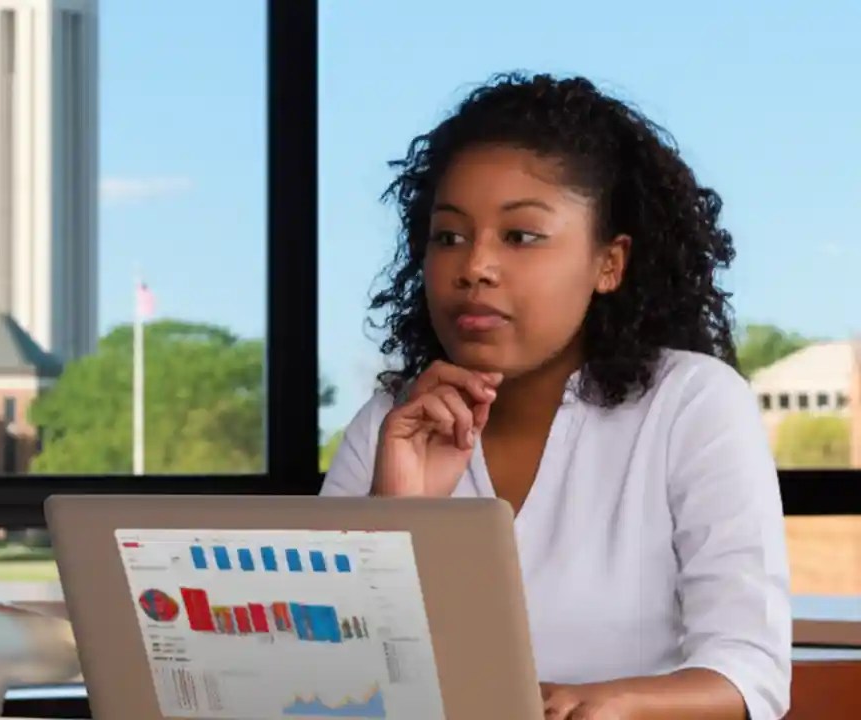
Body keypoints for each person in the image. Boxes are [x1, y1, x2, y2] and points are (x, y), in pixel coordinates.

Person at [322, 73, 791, 720]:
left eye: (520, 237)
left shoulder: (692, 404)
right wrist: (398, 514)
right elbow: (326, 679)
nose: (473, 266)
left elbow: (750, 674)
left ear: (610, 264)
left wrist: (605, 704)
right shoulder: (391, 422)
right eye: (448, 236)